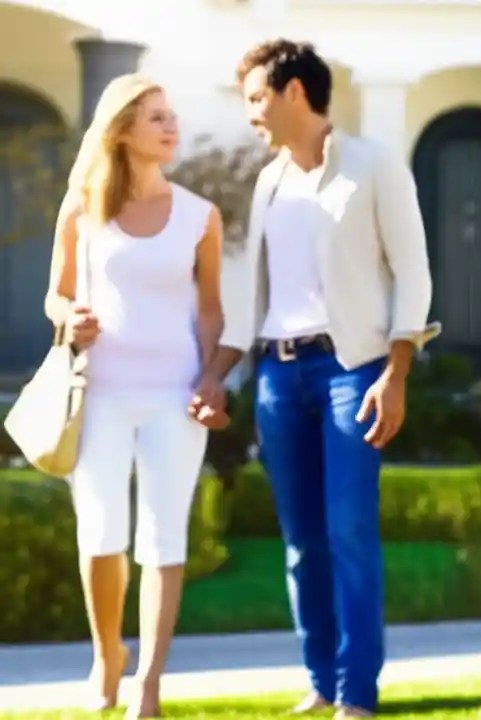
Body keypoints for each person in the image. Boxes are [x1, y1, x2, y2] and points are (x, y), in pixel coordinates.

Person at [198, 39, 433, 718]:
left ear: (294, 91)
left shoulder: (373, 166)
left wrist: (396, 372)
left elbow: (414, 274)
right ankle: (323, 682)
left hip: (350, 371)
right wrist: (224, 373)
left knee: (350, 531)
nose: (251, 115)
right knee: (302, 541)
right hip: (279, 375)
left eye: (256, 98)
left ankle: (357, 691)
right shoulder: (269, 180)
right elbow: (259, 294)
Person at [44, 74, 228, 718]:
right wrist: (70, 319)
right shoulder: (82, 207)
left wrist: (211, 378)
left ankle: (149, 682)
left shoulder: (200, 216)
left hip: (174, 397)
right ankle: (106, 657)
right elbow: (56, 295)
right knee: (99, 535)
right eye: (155, 118)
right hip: (99, 395)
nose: (170, 126)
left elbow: (210, 311)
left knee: (163, 540)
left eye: (171, 115)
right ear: (121, 130)